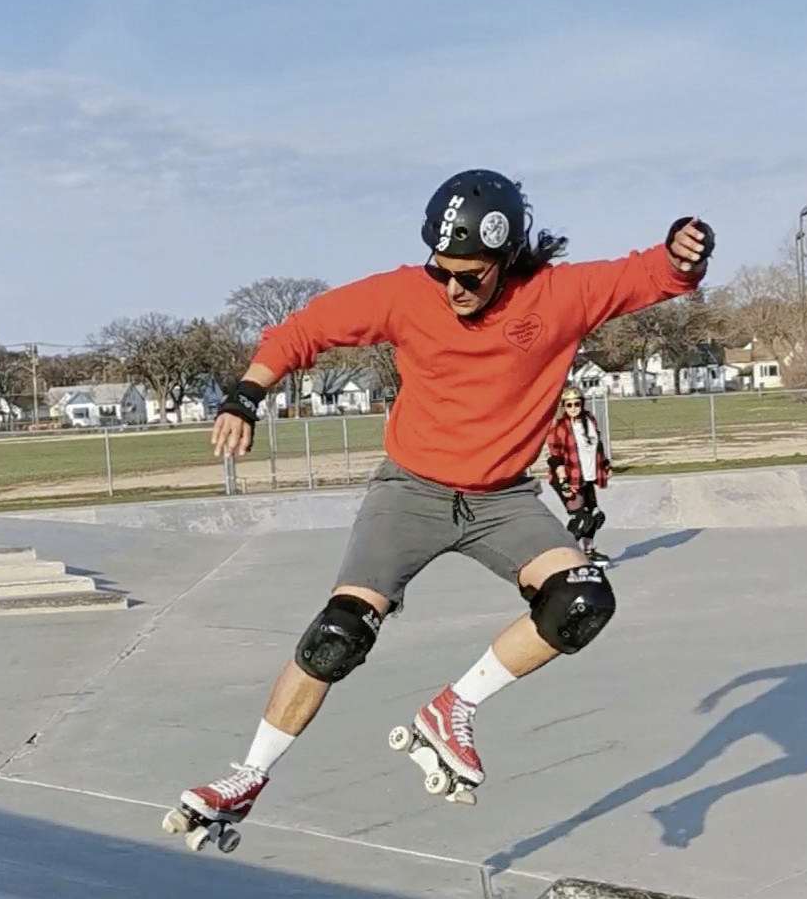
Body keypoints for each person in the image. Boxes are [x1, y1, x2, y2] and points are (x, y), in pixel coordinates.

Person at [179, 172, 713, 826]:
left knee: (583, 600)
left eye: (470, 276)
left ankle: (453, 708)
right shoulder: (407, 295)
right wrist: (245, 397)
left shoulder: (559, 296)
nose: (454, 288)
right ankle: (246, 777)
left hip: (503, 502)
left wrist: (684, 255)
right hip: (410, 493)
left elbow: (652, 275)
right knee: (338, 635)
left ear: (506, 259)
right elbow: (304, 331)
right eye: (443, 272)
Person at [546, 388, 611, 565]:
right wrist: (563, 481)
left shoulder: (589, 420)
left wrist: (605, 465)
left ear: (582, 403)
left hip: (586, 476)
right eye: (569, 405)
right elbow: (555, 456)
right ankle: (562, 557)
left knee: (595, 516)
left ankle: (589, 552)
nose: (573, 407)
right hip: (567, 478)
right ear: (564, 407)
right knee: (582, 518)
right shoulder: (559, 427)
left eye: (577, 404)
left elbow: (597, 445)